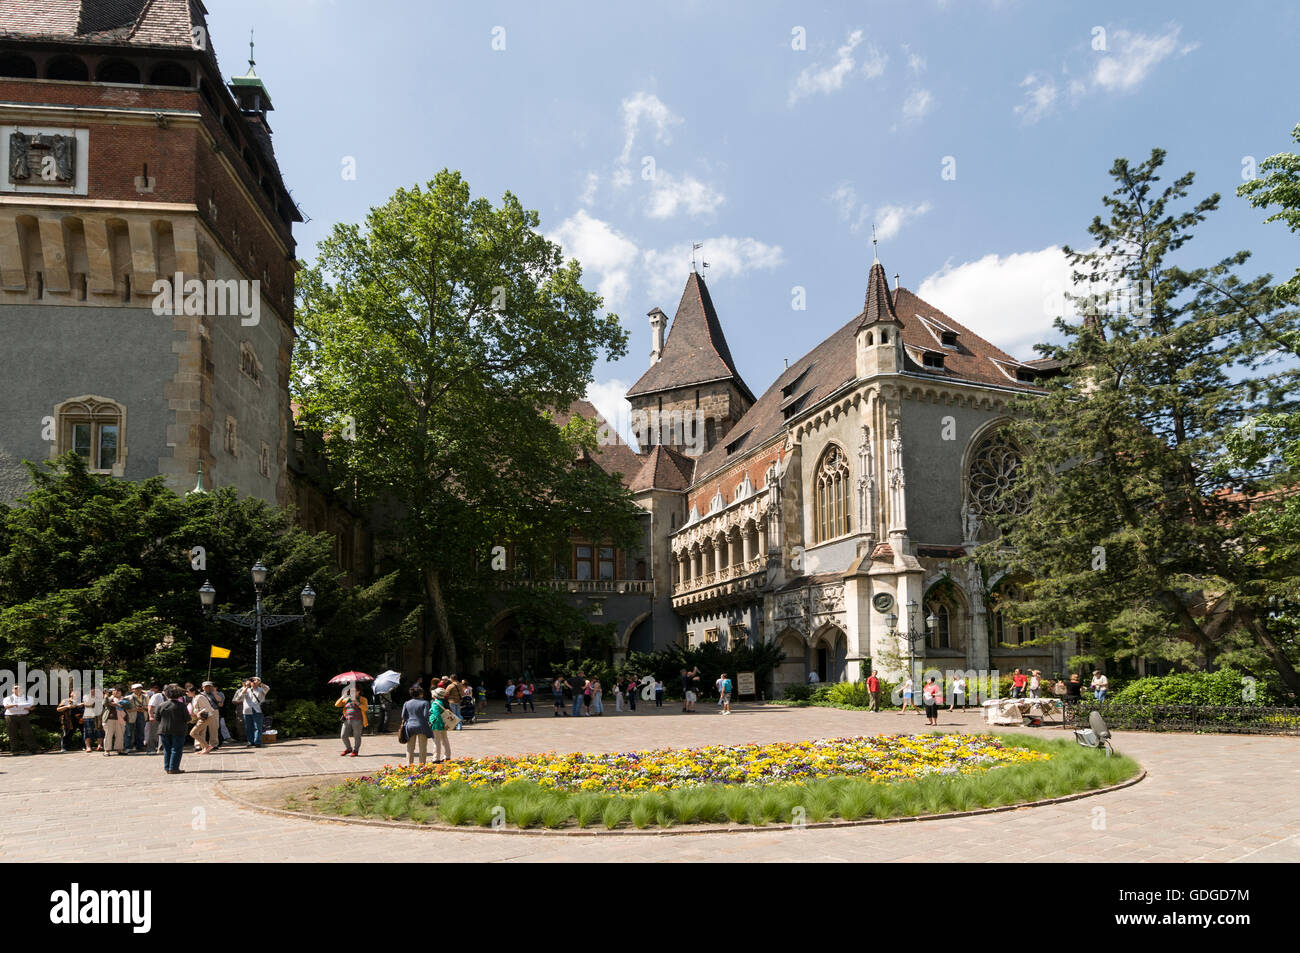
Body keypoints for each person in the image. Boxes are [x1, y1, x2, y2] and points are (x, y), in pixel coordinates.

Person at [157, 685, 192, 774]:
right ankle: (173, 768)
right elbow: (188, 719)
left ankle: (167, 767)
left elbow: (157, 717)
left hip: (164, 729)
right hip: (178, 730)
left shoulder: (161, 705)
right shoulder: (182, 706)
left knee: (167, 749)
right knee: (176, 749)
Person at [3, 682, 39, 755]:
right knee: (12, 734)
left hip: (23, 716)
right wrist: (16, 705)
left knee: (28, 733)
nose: (18, 689)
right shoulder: (8, 698)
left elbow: (32, 707)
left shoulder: (28, 698)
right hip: (11, 716)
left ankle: (34, 749)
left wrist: (30, 708)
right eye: (16, 688)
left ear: (23, 690)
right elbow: (6, 707)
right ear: (12, 690)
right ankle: (15, 750)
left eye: (20, 688)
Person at [401, 686, 433, 765]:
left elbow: (403, 716)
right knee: (422, 747)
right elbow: (426, 715)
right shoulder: (425, 703)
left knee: (410, 747)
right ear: (420, 694)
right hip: (422, 726)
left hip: (410, 726)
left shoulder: (407, 703)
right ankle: (421, 765)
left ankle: (409, 764)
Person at [233, 677, 270, 747]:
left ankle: (257, 742)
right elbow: (239, 697)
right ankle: (250, 742)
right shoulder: (246, 689)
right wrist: (247, 686)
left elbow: (267, 688)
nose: (253, 682)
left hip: (258, 710)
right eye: (252, 680)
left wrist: (260, 682)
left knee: (258, 727)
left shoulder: (261, 689)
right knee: (248, 727)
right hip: (247, 711)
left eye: (255, 680)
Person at [429, 686, 460, 762]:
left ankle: (436, 758)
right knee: (445, 740)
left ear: (435, 695)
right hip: (444, 723)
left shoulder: (435, 703)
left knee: (436, 741)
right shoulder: (442, 702)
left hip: (436, 724)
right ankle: (447, 756)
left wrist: (442, 724)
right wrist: (445, 724)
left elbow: (437, 715)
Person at [336, 684, 368, 756]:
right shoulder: (347, 699)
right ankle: (349, 748)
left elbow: (365, 708)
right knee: (343, 735)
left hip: (358, 720)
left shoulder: (363, 699)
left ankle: (355, 750)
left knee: (357, 736)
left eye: (354, 691)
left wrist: (357, 702)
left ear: (358, 691)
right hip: (347, 720)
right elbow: (337, 705)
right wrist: (342, 697)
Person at [187, 685, 215, 755]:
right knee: (201, 733)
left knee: (193, 733)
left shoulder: (200, 697)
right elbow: (196, 709)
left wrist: (199, 712)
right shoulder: (194, 697)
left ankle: (207, 746)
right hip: (201, 718)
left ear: (193, 691)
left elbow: (208, 707)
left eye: (188, 692)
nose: (186, 693)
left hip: (206, 717)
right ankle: (204, 749)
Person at [102, 688, 127, 755]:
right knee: (108, 735)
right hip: (110, 718)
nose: (117, 692)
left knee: (120, 735)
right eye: (115, 690)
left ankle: (120, 749)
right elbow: (105, 703)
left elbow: (127, 706)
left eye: (119, 691)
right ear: (112, 692)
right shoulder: (109, 698)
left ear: (121, 692)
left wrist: (116, 704)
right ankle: (107, 750)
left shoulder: (124, 699)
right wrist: (106, 695)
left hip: (121, 719)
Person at [145, 683, 166, 753]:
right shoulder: (157, 696)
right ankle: (151, 749)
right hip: (155, 715)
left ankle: (160, 748)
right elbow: (150, 706)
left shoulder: (166, 696)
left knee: (162, 732)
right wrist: (151, 715)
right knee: (153, 732)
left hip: (163, 716)